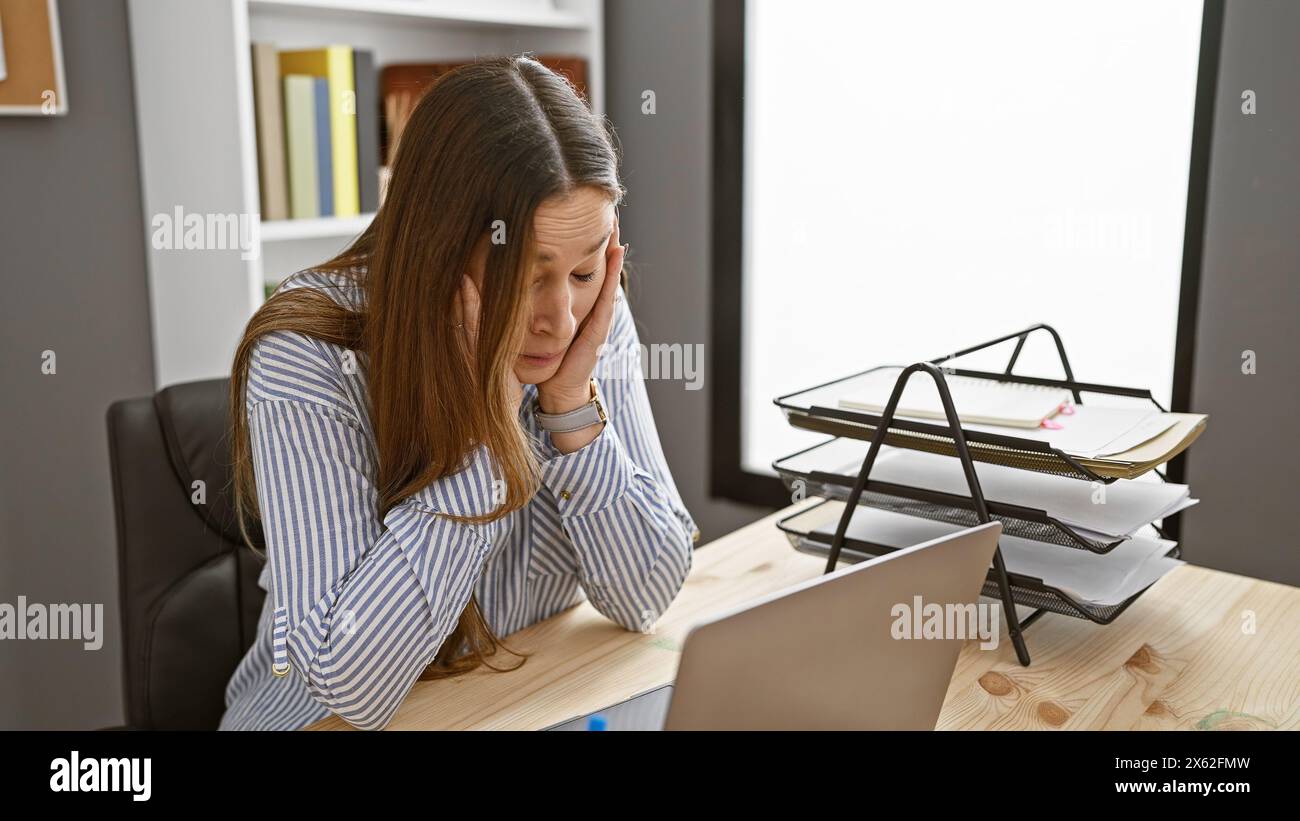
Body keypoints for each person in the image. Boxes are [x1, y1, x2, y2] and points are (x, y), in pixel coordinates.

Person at [218, 56, 698, 731]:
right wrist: (488, 434)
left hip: (507, 704)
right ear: (441, 253)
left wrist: (570, 412)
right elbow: (349, 688)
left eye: (586, 270)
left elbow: (645, 594)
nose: (560, 318)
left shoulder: (590, 324)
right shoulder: (307, 354)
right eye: (528, 277)